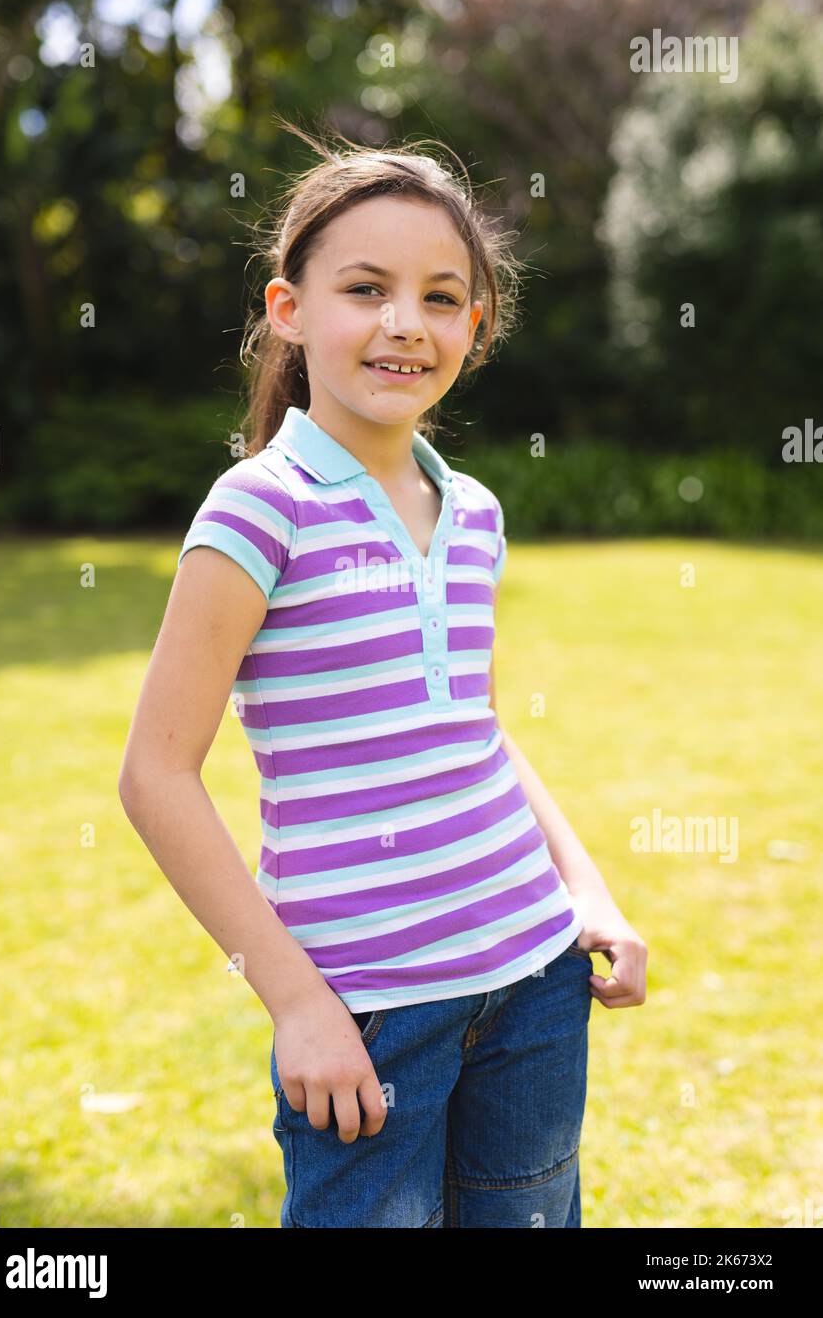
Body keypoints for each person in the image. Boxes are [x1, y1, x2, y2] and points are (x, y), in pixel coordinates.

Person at [118, 122, 647, 1229]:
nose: (406, 322)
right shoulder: (261, 508)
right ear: (289, 310)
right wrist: (297, 1000)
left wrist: (583, 888)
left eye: (442, 297)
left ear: (476, 327)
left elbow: (479, 732)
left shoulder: (478, 514)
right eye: (367, 288)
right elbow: (156, 776)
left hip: (535, 981)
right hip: (366, 1015)